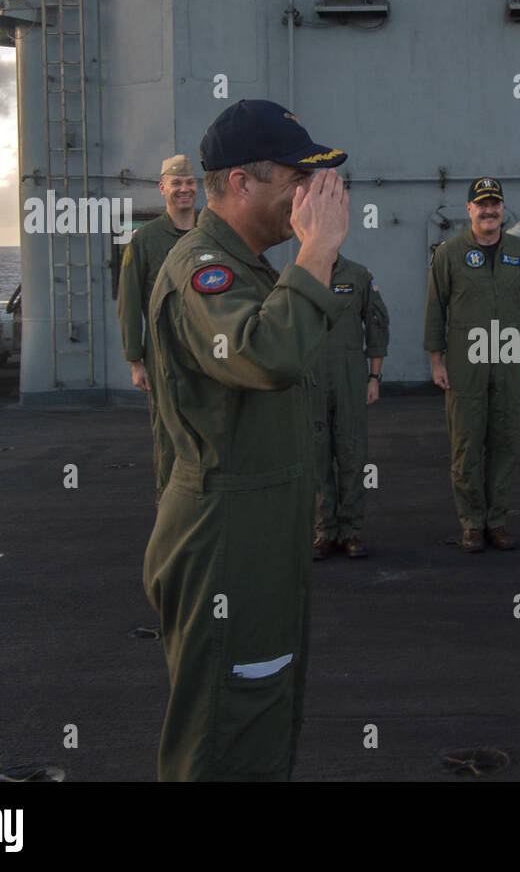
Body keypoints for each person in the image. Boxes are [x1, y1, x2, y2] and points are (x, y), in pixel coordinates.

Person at [142, 99, 350, 781]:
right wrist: (317, 250)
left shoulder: (252, 266)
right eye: (298, 178)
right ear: (240, 183)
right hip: (226, 541)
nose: (309, 195)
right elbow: (267, 353)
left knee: (261, 712)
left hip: (262, 534)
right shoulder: (204, 270)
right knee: (223, 731)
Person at [423, 177, 520, 552]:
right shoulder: (448, 254)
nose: (489, 210)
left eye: (495, 204)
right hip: (464, 361)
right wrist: (436, 360)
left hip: (507, 358)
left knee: (505, 441)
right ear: (469, 210)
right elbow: (435, 308)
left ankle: (497, 521)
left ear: (502, 209)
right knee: (466, 444)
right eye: (482, 204)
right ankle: (472, 523)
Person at [116, 154, 198, 500]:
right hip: (164, 356)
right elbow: (129, 302)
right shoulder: (144, 240)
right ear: (163, 188)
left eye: (190, 183)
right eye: (176, 183)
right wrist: (136, 361)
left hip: (214, 352)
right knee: (168, 435)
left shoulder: (215, 233)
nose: (184, 189)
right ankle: (170, 511)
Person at [310, 253, 390, 560]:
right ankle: (324, 531)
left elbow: (376, 323)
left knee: (352, 454)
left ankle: (351, 531)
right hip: (310, 376)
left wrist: (374, 377)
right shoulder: (296, 274)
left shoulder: (358, 275)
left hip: (350, 376)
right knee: (315, 456)